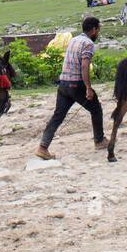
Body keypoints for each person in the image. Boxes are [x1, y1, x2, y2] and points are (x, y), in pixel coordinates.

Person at [36, 16, 108, 160]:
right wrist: (88, 87)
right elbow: (84, 65)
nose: (98, 33)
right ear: (93, 30)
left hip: (63, 84)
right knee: (96, 108)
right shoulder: (88, 44)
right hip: (76, 84)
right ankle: (99, 140)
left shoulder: (73, 40)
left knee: (58, 116)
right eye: (98, 30)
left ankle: (43, 147)